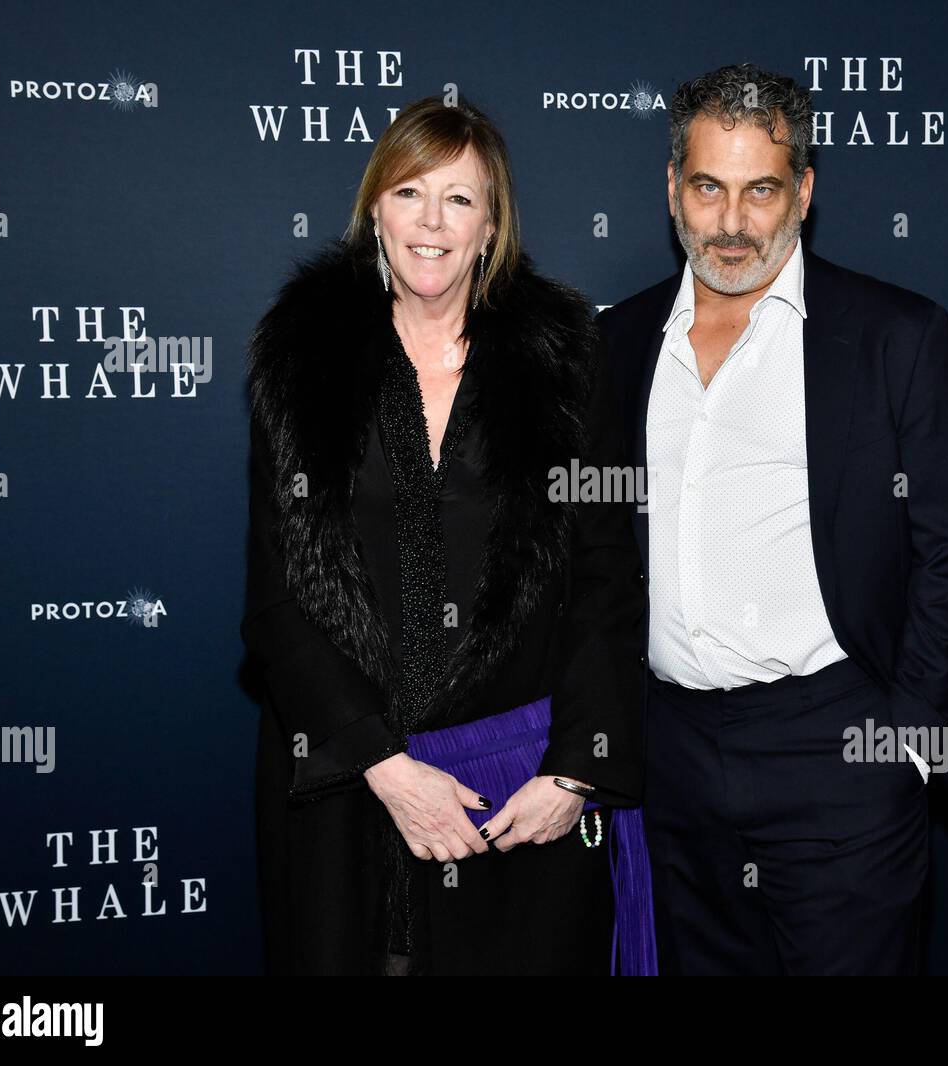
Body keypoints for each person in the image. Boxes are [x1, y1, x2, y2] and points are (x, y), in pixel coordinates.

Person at [594, 63, 948, 975]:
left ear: (803, 194)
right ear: (673, 188)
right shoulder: (618, 342)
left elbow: (947, 551)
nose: (732, 222)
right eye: (709, 187)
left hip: (836, 748)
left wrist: (903, 742)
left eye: (761, 190)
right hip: (672, 761)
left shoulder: (895, 335)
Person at [241, 95, 652, 976]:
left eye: (459, 199)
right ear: (374, 213)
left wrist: (575, 771)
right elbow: (277, 598)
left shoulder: (564, 360)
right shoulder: (301, 358)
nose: (432, 222)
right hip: (348, 789)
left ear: (491, 225)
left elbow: (606, 576)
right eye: (409, 193)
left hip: (519, 795)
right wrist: (384, 766)